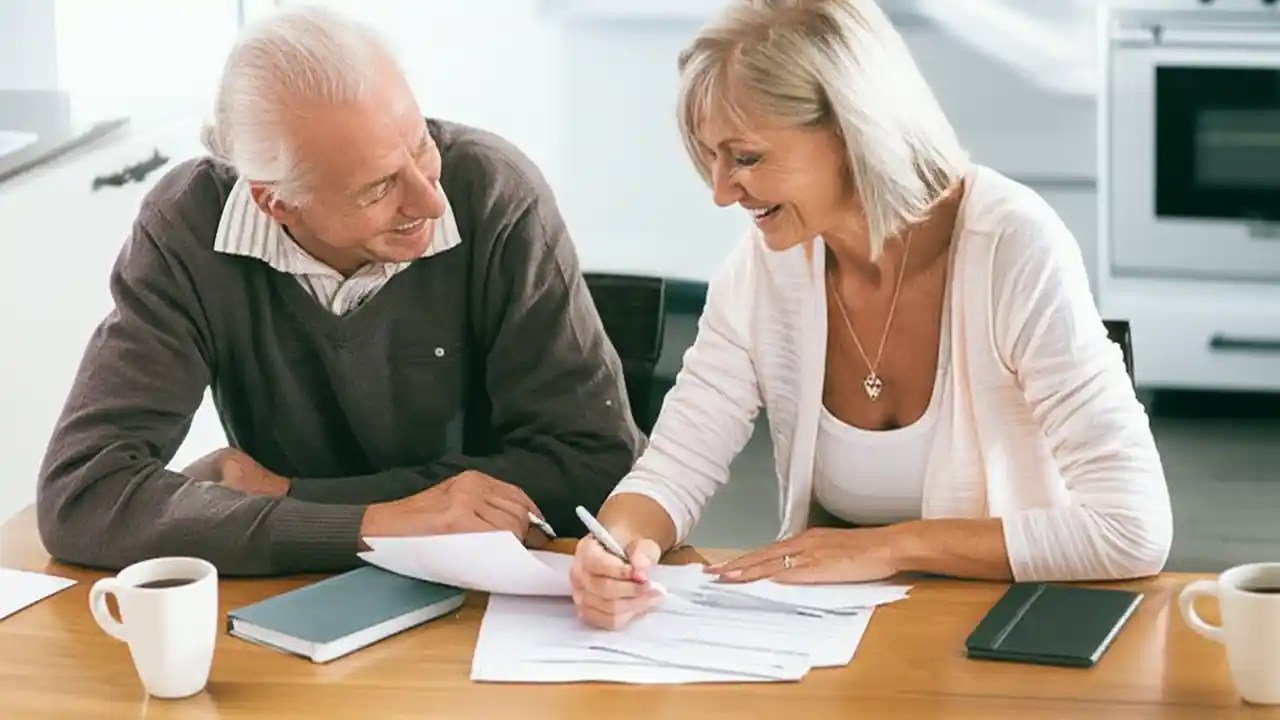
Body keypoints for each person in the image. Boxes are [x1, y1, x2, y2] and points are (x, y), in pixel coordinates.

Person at [570, 0, 1172, 630]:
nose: (721, 192)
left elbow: (1132, 527)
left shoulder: (1011, 247)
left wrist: (887, 547)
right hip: (824, 643)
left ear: (853, 131)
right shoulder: (765, 270)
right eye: (711, 159)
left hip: (1000, 634)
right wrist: (614, 548)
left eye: (745, 158)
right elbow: (677, 466)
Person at [37, 7, 643, 576]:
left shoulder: (493, 193)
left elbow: (595, 464)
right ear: (275, 202)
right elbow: (83, 494)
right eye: (378, 187)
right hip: (293, 602)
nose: (430, 200)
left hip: (496, 598)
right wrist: (375, 524)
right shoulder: (187, 227)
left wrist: (294, 499)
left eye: (419, 145)